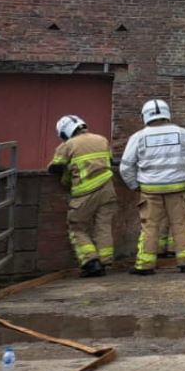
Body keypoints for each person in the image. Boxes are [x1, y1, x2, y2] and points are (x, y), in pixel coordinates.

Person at [119, 100, 185, 275]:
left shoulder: (138, 137)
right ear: (167, 114)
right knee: (181, 225)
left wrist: (134, 185)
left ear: (145, 116)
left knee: (149, 227)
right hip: (178, 188)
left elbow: (125, 167)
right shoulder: (183, 134)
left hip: (150, 190)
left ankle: (145, 265)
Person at [46, 115, 119, 277]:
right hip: (108, 190)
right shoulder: (101, 139)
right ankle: (105, 260)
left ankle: (91, 262)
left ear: (65, 133)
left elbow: (55, 167)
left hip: (85, 193)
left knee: (77, 226)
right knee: (103, 225)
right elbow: (110, 160)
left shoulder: (68, 145)